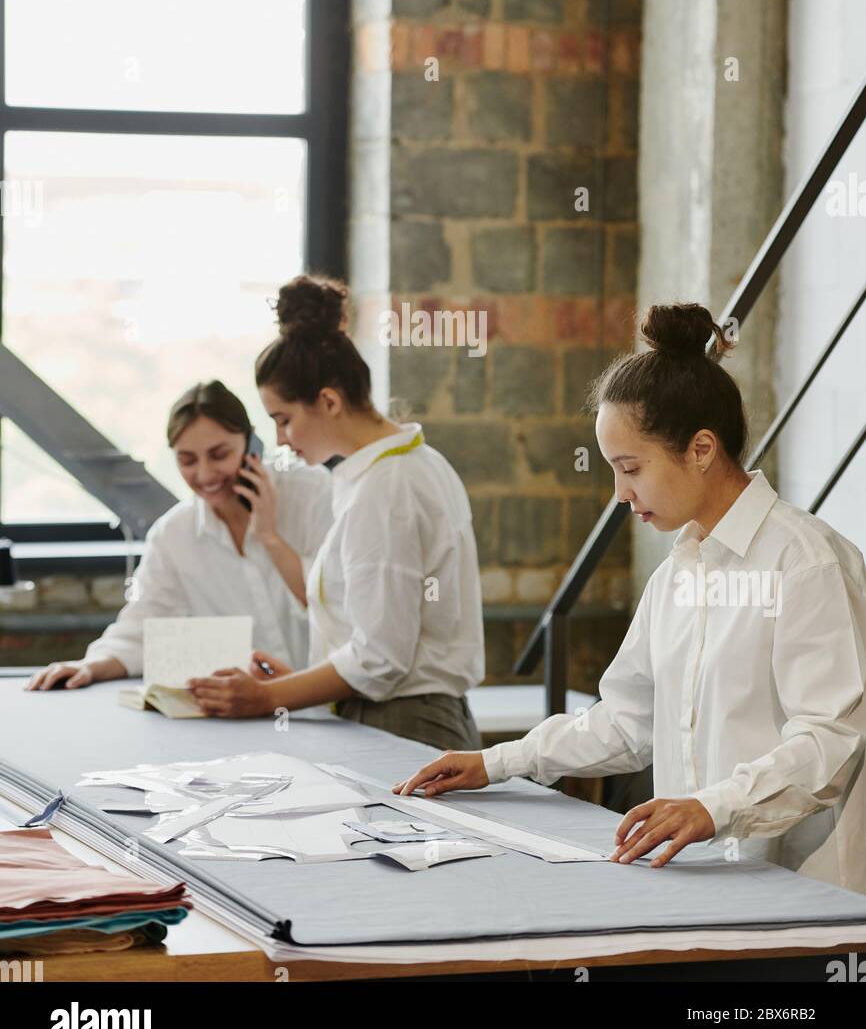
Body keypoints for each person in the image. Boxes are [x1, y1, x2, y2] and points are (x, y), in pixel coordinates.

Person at [392, 302, 866, 896]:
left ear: (700, 449)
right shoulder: (677, 574)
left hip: (806, 897)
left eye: (631, 468)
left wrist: (710, 807)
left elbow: (831, 740)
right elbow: (624, 721)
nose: (620, 492)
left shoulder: (807, 562)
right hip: (699, 886)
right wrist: (496, 763)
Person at [186, 274, 486, 753]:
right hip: (394, 717)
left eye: (283, 420)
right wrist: (301, 682)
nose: (281, 439)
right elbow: (362, 620)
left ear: (328, 401)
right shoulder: (393, 470)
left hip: (406, 725)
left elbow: (381, 658)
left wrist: (267, 697)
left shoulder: (387, 487)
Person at [26, 379, 333, 690]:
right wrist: (89, 666)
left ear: (251, 444)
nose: (204, 475)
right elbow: (140, 629)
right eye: (187, 460)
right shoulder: (174, 535)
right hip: (247, 714)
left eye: (219, 454)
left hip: (329, 704)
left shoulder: (311, 493)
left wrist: (269, 537)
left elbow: (335, 603)